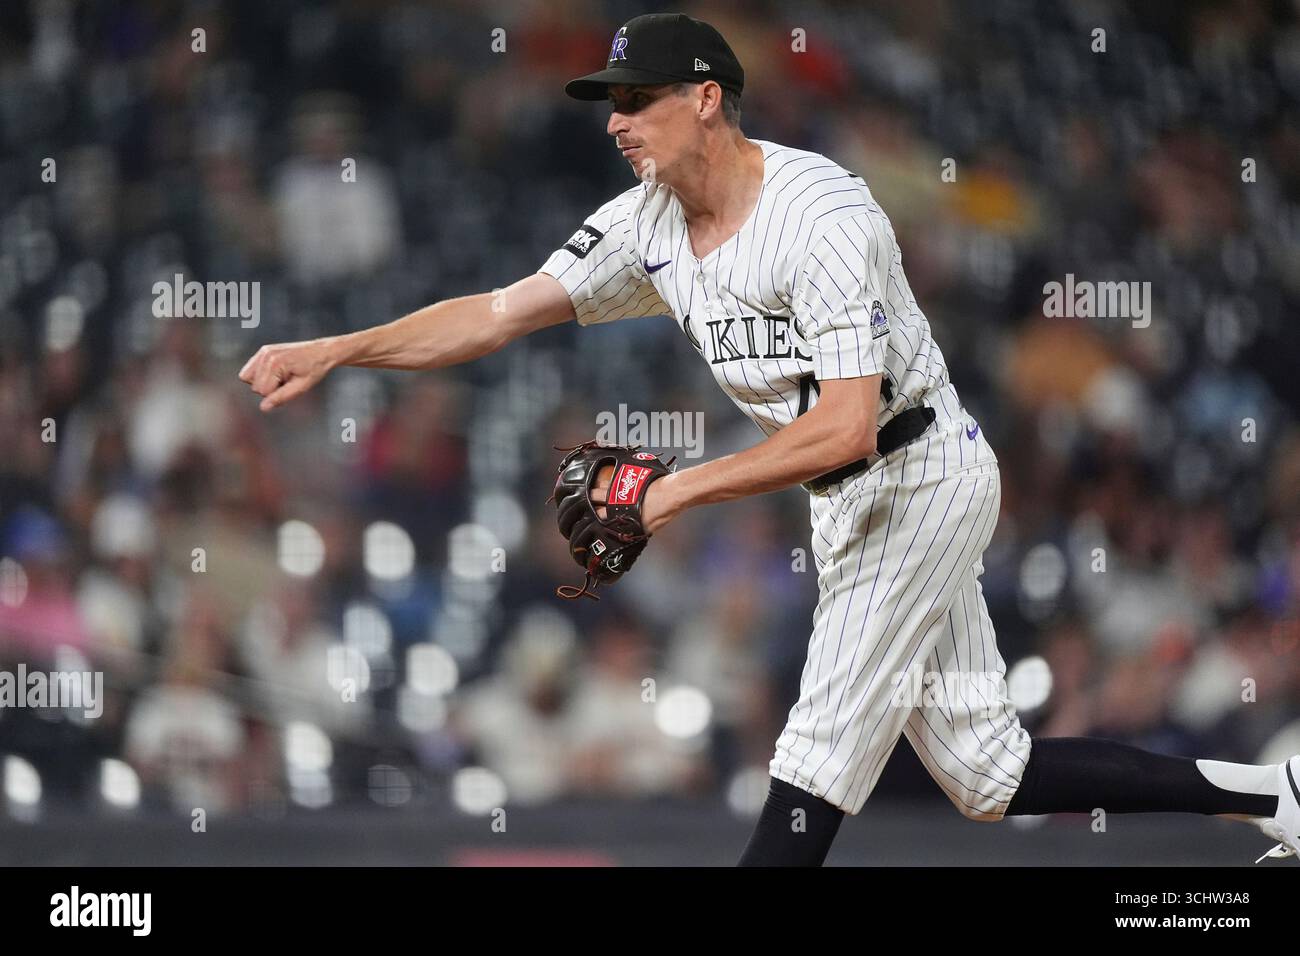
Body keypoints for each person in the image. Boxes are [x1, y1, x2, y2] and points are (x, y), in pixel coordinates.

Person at [239, 13, 1300, 866]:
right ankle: (1273, 794)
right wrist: (340, 346)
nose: (617, 122)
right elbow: (496, 311)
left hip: (916, 470)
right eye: (609, 103)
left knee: (816, 741)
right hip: (848, 493)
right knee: (989, 774)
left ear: (706, 98)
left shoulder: (825, 216)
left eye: (637, 100)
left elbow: (842, 423)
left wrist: (669, 493)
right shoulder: (645, 221)